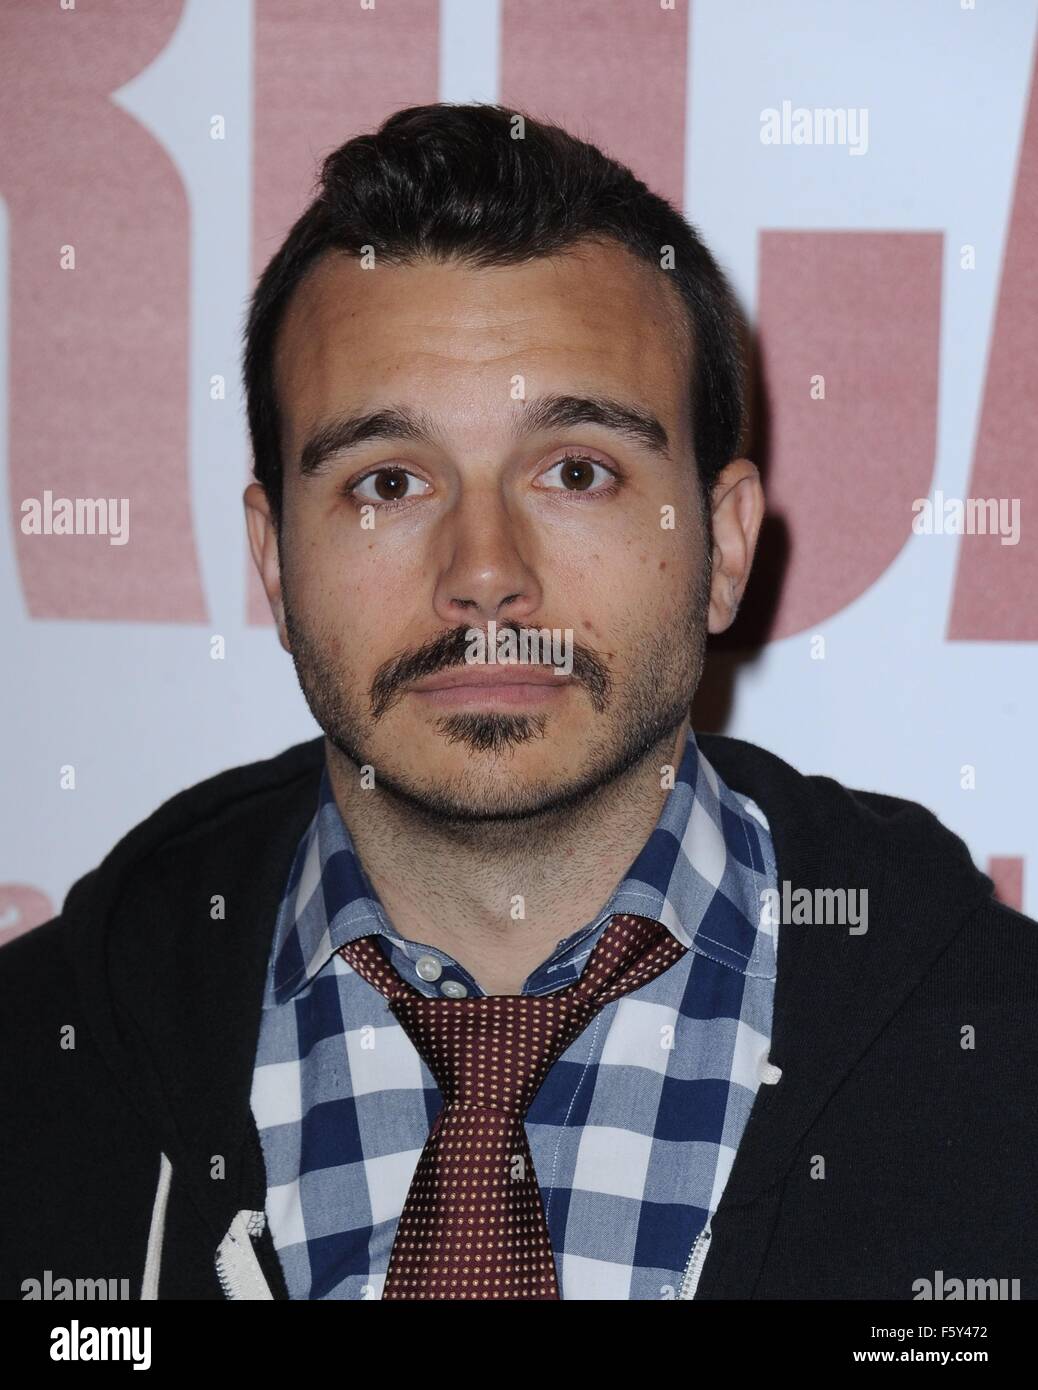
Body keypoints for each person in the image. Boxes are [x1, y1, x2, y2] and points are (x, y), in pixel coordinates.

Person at [2, 103, 1035, 1303]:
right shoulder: (33, 1077)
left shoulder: (1006, 1071)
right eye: (389, 480)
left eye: (579, 471)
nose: (484, 568)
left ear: (727, 544)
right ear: (274, 560)